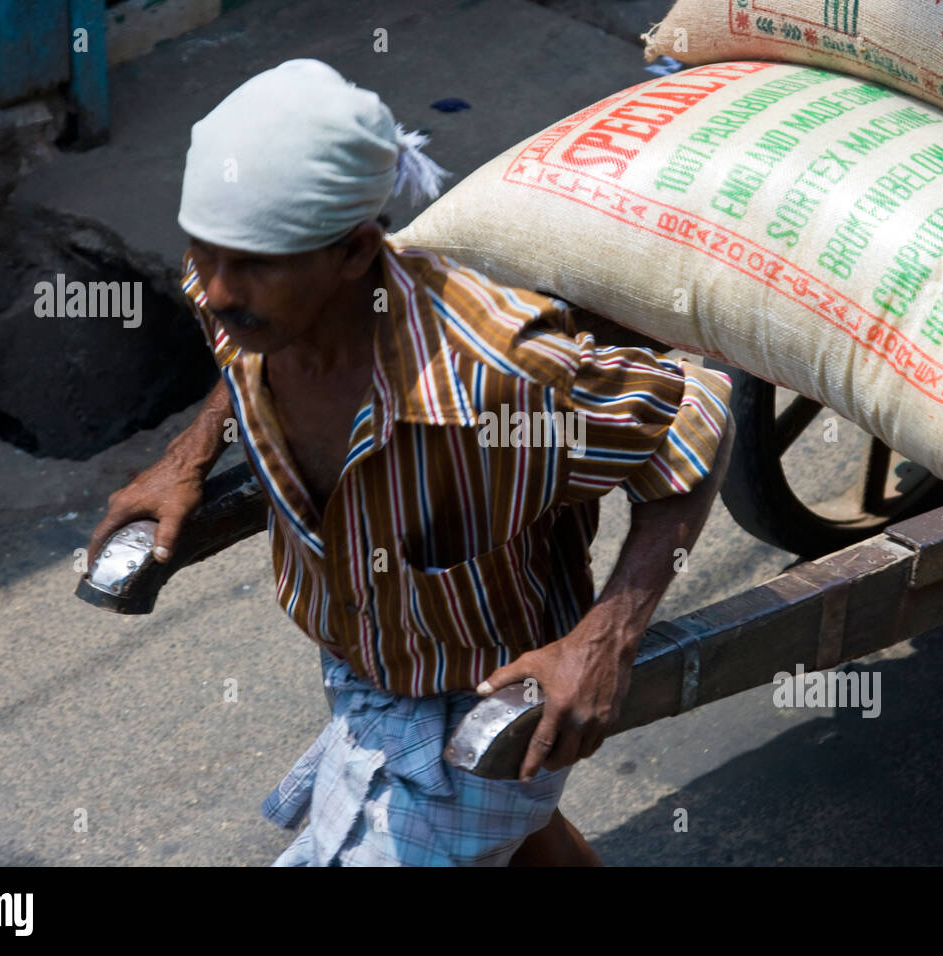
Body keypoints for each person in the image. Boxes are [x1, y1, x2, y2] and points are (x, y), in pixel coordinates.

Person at [87, 58, 734, 866]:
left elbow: (694, 423)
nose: (214, 290)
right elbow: (238, 345)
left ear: (356, 253)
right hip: (365, 666)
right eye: (203, 253)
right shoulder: (240, 293)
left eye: (249, 262)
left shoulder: (496, 376)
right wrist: (188, 456)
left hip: (491, 693)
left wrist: (607, 640)